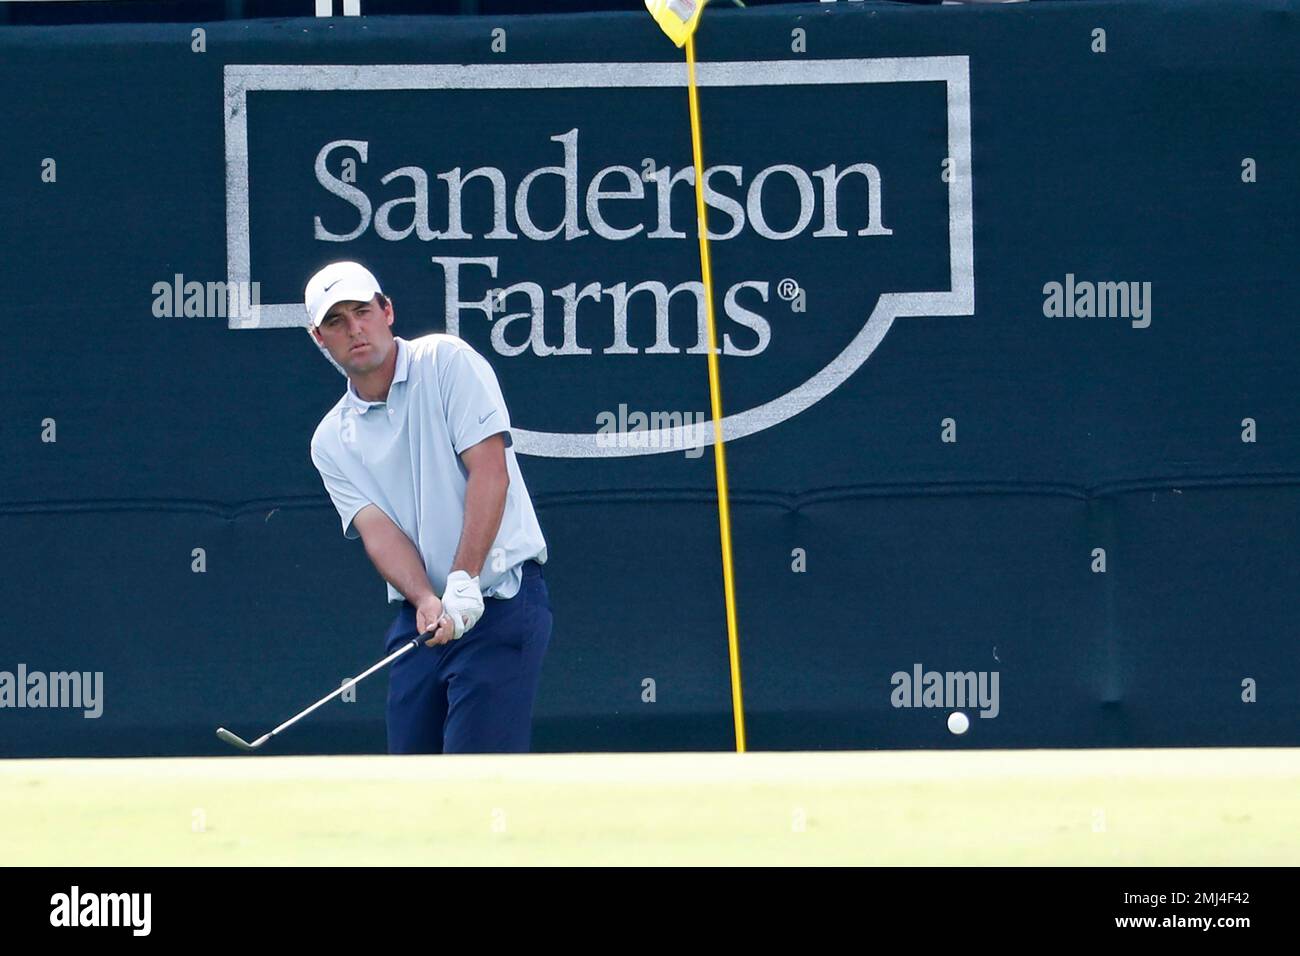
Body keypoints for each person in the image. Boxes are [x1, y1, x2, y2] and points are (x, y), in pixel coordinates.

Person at [304, 260, 551, 754]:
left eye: (362, 311)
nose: (354, 329)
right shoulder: (330, 440)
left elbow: (490, 472)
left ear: (387, 311)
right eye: (336, 321)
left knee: (476, 783)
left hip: (501, 601)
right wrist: (424, 598)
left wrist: (463, 580)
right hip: (422, 618)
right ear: (319, 338)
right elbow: (379, 532)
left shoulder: (446, 361)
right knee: (412, 780)